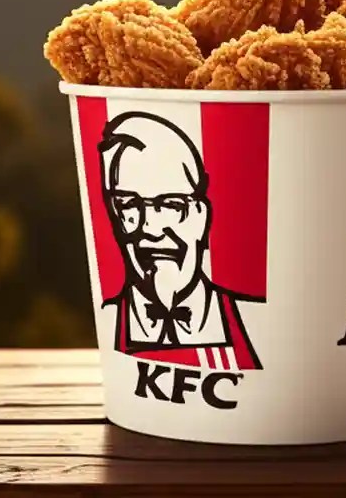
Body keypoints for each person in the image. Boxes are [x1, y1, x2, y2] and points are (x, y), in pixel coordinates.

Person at [98, 112, 260, 370]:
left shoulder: (257, 321)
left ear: (201, 216)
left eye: (171, 204)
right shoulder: (108, 319)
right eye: (129, 204)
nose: (150, 228)